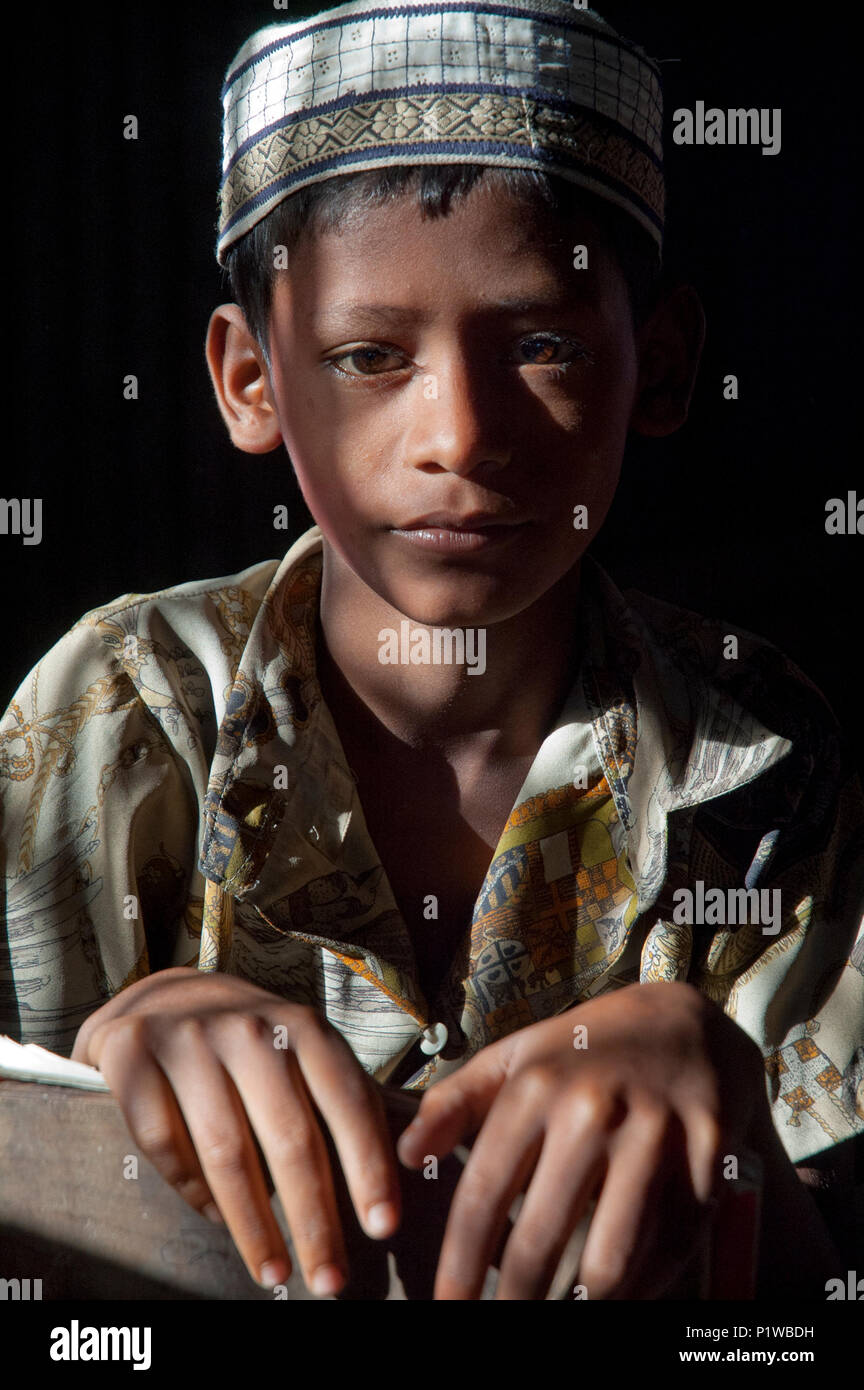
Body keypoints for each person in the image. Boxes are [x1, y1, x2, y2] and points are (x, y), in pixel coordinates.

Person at [1, 0, 861, 1301]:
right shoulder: (117, 717)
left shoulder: (765, 771)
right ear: (250, 381)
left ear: (666, 364)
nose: (458, 432)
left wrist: (734, 1120)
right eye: (366, 354)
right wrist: (102, 1059)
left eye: (544, 345)